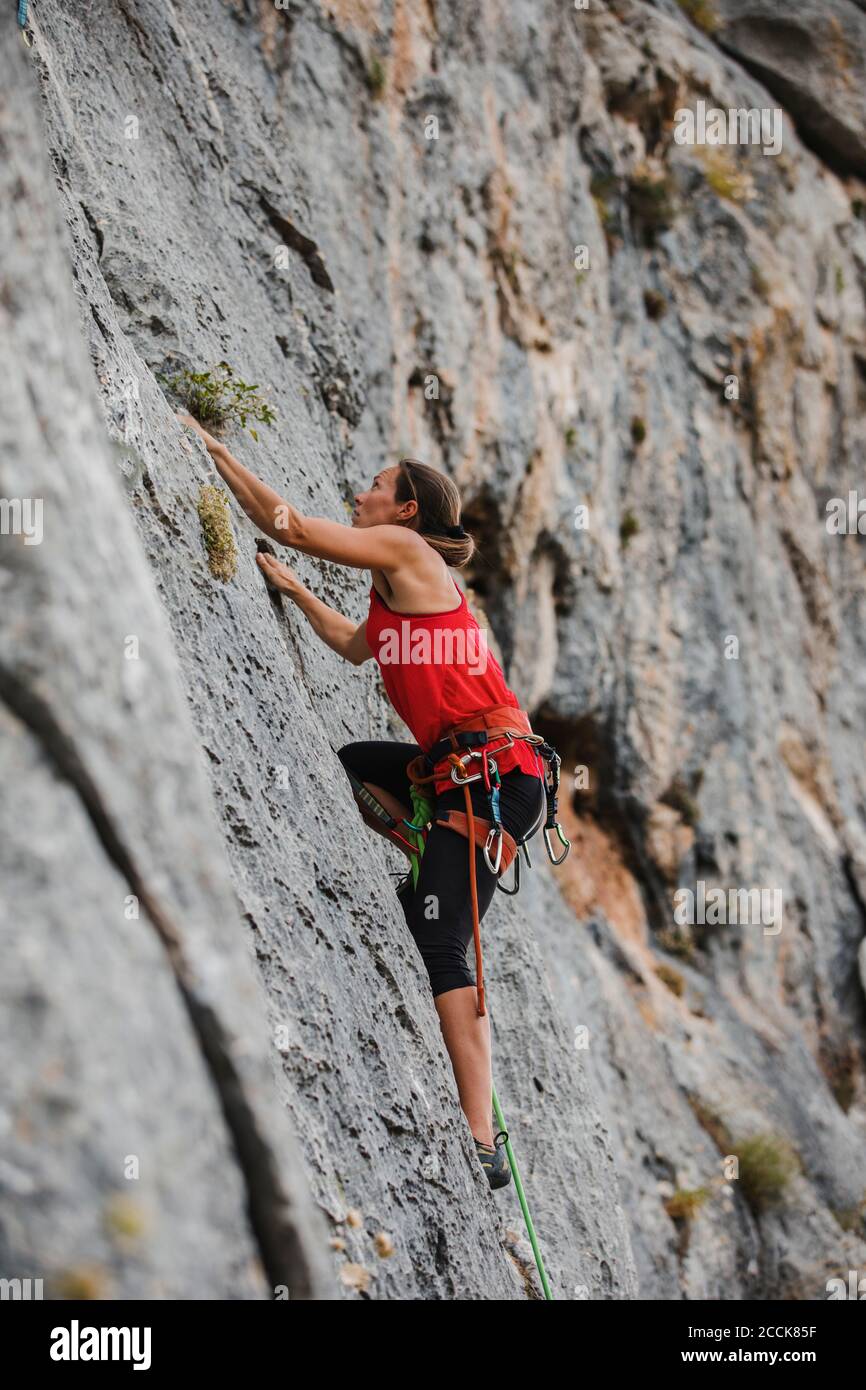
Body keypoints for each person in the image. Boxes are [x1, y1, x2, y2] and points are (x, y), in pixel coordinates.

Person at [178, 413, 547, 1189]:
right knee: (354, 765)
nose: (361, 491)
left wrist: (213, 452)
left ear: (406, 511)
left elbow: (295, 527)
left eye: (376, 486)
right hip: (454, 773)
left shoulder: (408, 552)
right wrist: (294, 589)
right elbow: (355, 645)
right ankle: (427, 849)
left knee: (442, 935)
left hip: (499, 779)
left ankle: (482, 1138)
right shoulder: (396, 592)